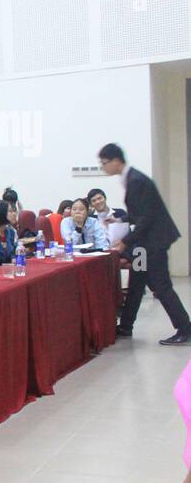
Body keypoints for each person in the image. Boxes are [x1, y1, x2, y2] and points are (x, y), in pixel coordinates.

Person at [99, 143, 191, 344]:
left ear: (116, 161)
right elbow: (139, 214)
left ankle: (185, 329)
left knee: (161, 286)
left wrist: (124, 242)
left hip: (153, 244)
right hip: (143, 246)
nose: (103, 167)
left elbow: (147, 218)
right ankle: (126, 326)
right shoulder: (131, 179)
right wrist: (120, 221)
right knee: (136, 283)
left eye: (104, 163)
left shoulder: (136, 180)